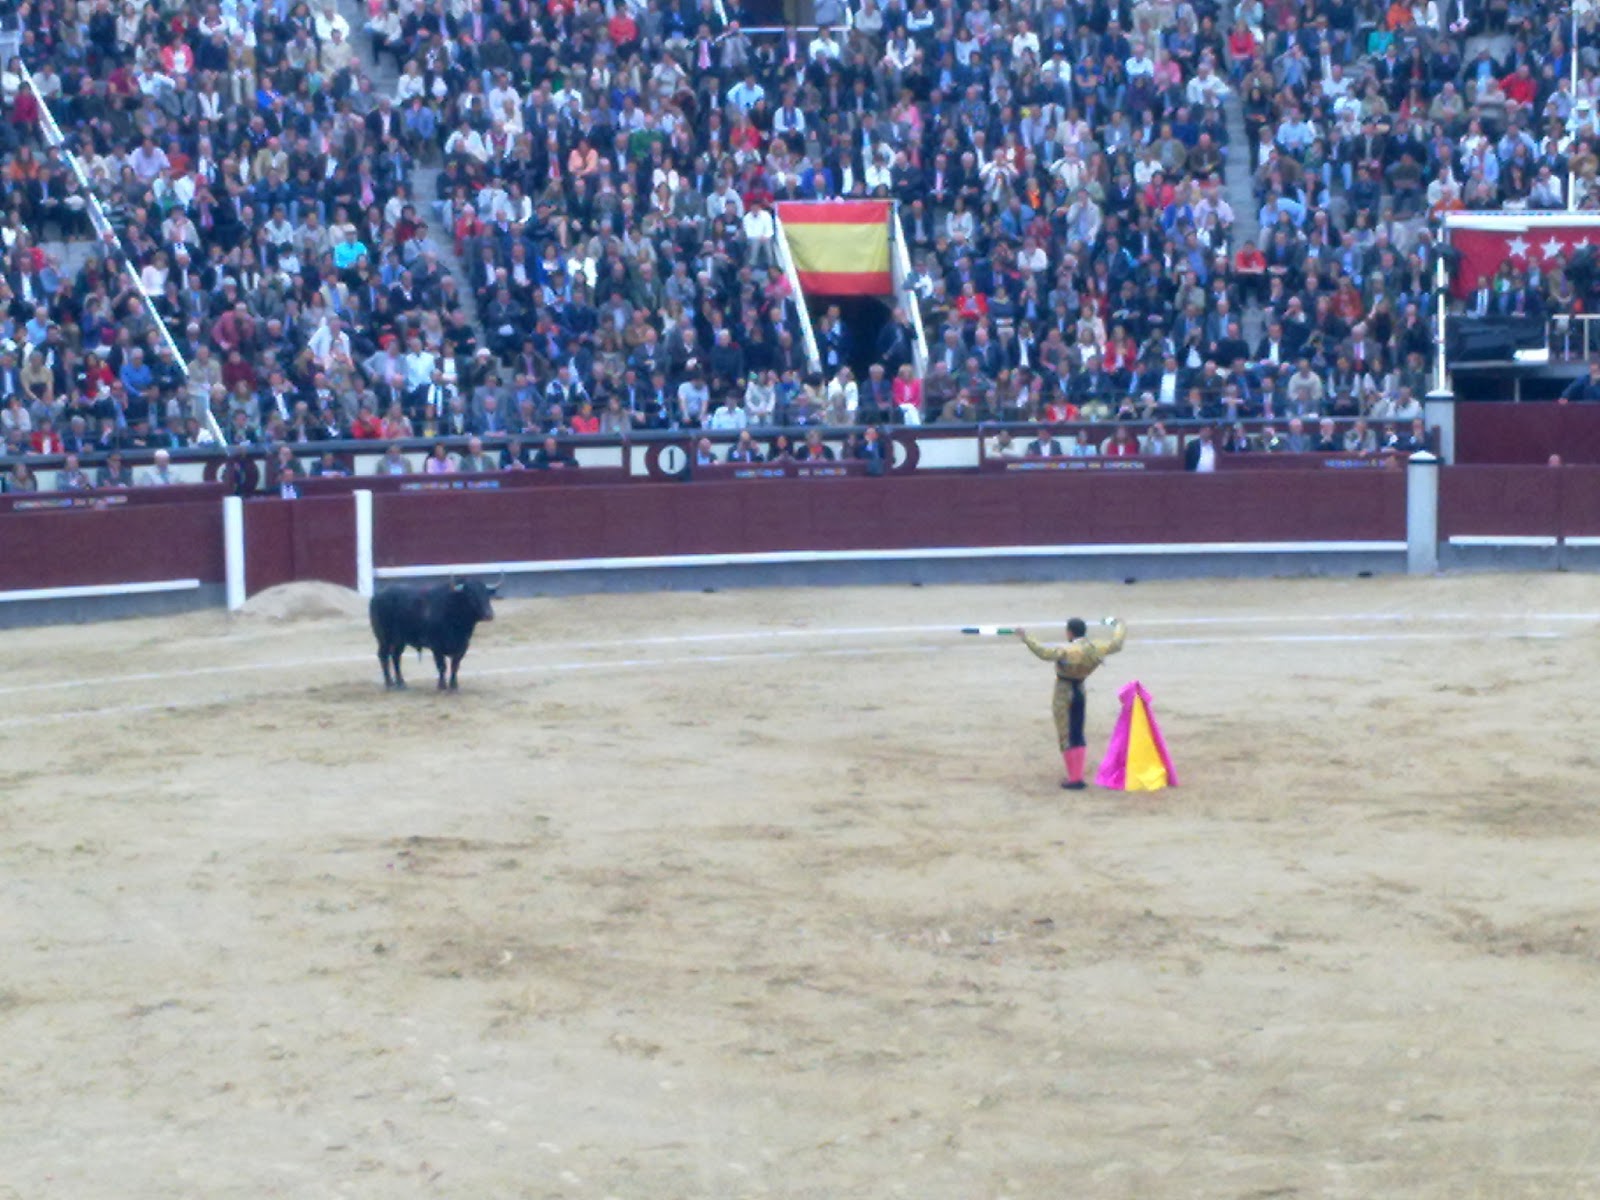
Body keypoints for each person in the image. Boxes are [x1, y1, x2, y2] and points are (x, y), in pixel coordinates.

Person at [1014, 617, 1128, 790]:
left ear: (1069, 632)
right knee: (1077, 730)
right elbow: (1117, 643)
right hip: (1080, 690)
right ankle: (1077, 775)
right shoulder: (1095, 648)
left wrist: (1026, 637)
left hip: (1063, 692)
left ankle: (1074, 778)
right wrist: (1118, 624)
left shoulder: (1067, 651)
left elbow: (1044, 653)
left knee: (1066, 733)